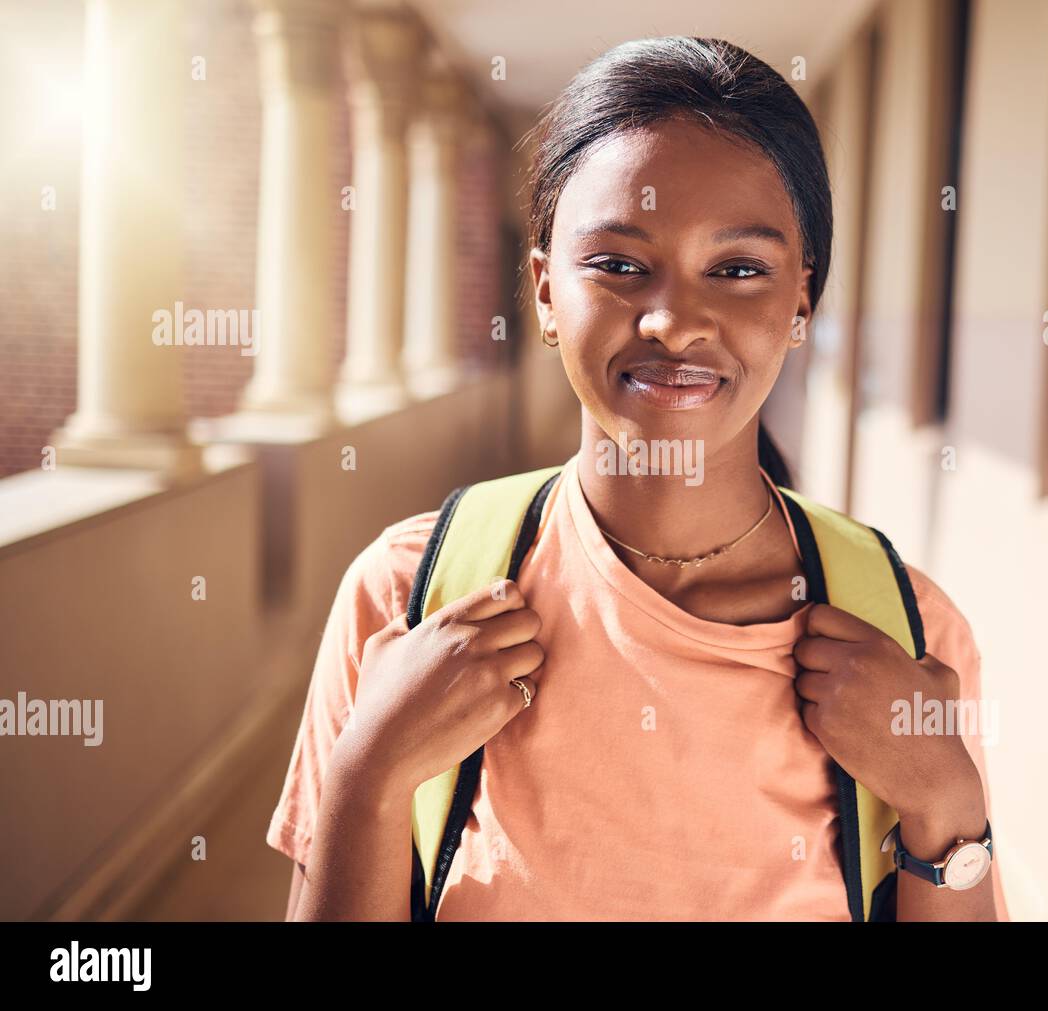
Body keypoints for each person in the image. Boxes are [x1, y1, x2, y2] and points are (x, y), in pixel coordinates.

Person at [267, 36, 1009, 922]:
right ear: (545, 291)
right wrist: (368, 772)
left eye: (738, 269)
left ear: (801, 301)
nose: (674, 321)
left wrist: (947, 802)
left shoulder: (906, 631)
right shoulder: (407, 596)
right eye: (618, 265)